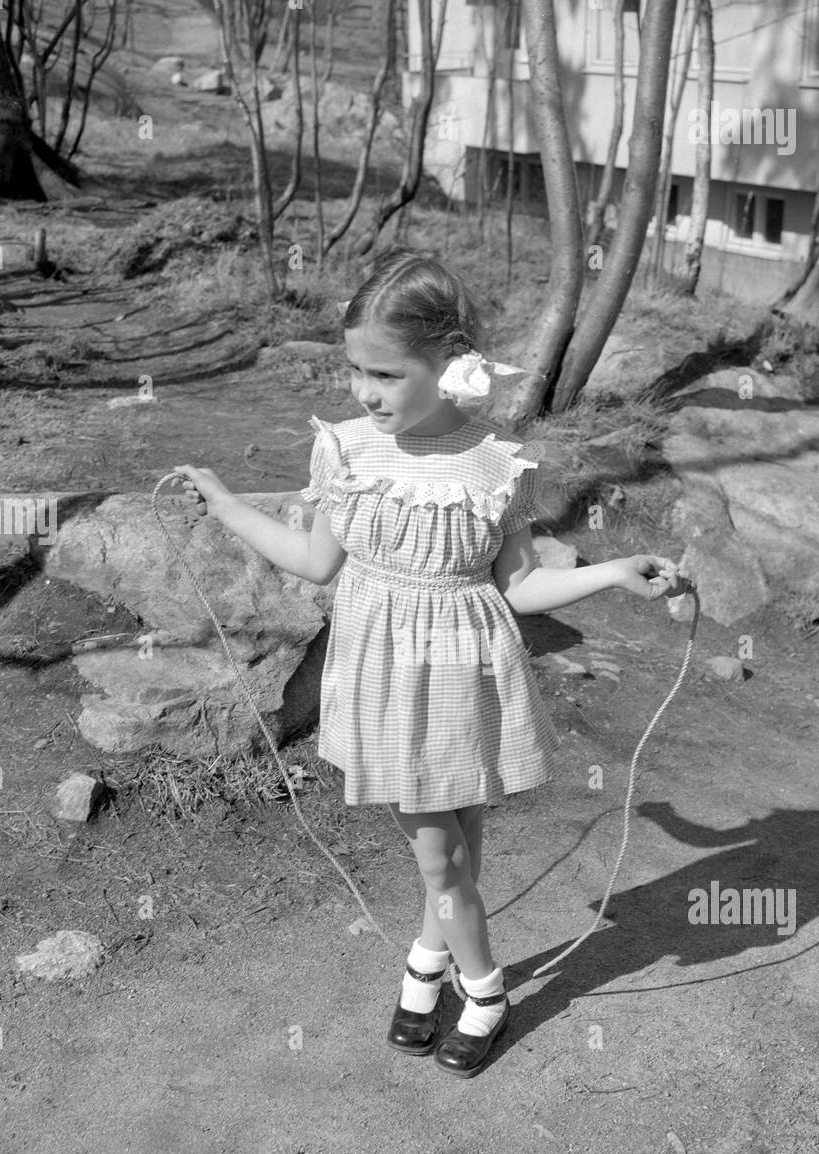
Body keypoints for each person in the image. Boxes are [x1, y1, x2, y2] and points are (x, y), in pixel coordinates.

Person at [172, 248, 684, 1079]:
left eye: (384, 374)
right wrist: (228, 505)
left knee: (449, 850)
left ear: (449, 366)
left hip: (466, 673)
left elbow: (519, 586)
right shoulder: (348, 451)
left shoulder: (496, 464)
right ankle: (434, 963)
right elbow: (314, 561)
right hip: (383, 679)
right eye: (353, 372)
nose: (364, 393)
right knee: (446, 851)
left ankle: (478, 989)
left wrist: (618, 573)